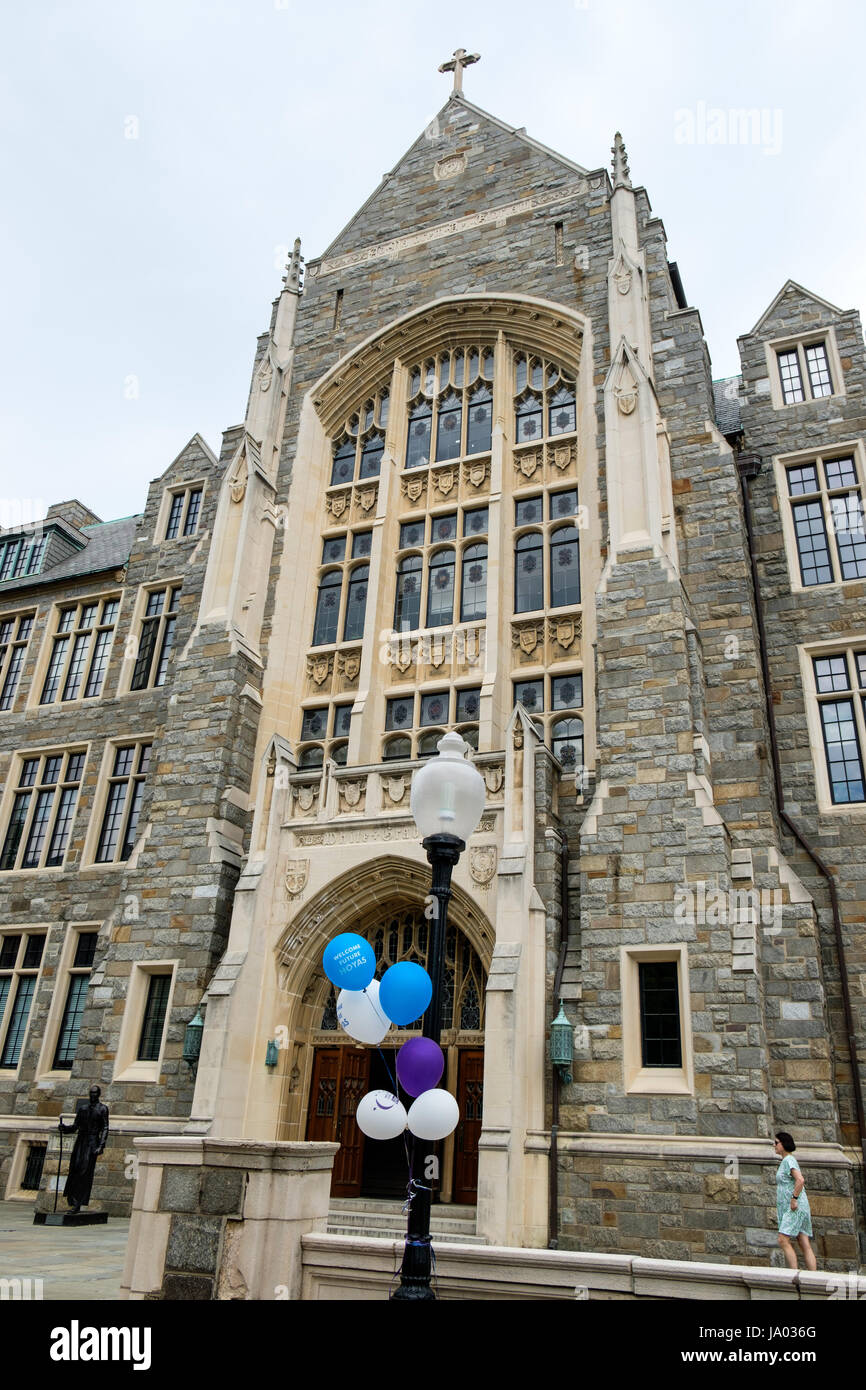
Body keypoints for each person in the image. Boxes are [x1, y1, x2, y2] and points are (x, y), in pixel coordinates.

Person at [59, 1085, 109, 1212]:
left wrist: (101, 1145)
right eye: (91, 1093)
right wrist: (65, 1128)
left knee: (84, 1172)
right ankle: (72, 1199)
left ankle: (78, 1203)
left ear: (98, 1094)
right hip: (80, 1141)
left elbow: (105, 1128)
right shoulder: (83, 1109)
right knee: (74, 1169)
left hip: (92, 1143)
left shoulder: (103, 1109)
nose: (92, 1095)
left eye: (95, 1093)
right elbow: (75, 1126)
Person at [773, 1130, 816, 1270]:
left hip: (794, 1207)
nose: (774, 1145)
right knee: (803, 1241)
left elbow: (800, 1180)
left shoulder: (789, 1160)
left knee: (783, 1239)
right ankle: (814, 1278)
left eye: (776, 1142)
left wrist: (794, 1199)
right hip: (795, 1206)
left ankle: (793, 1275)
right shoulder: (786, 1160)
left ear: (783, 1144)